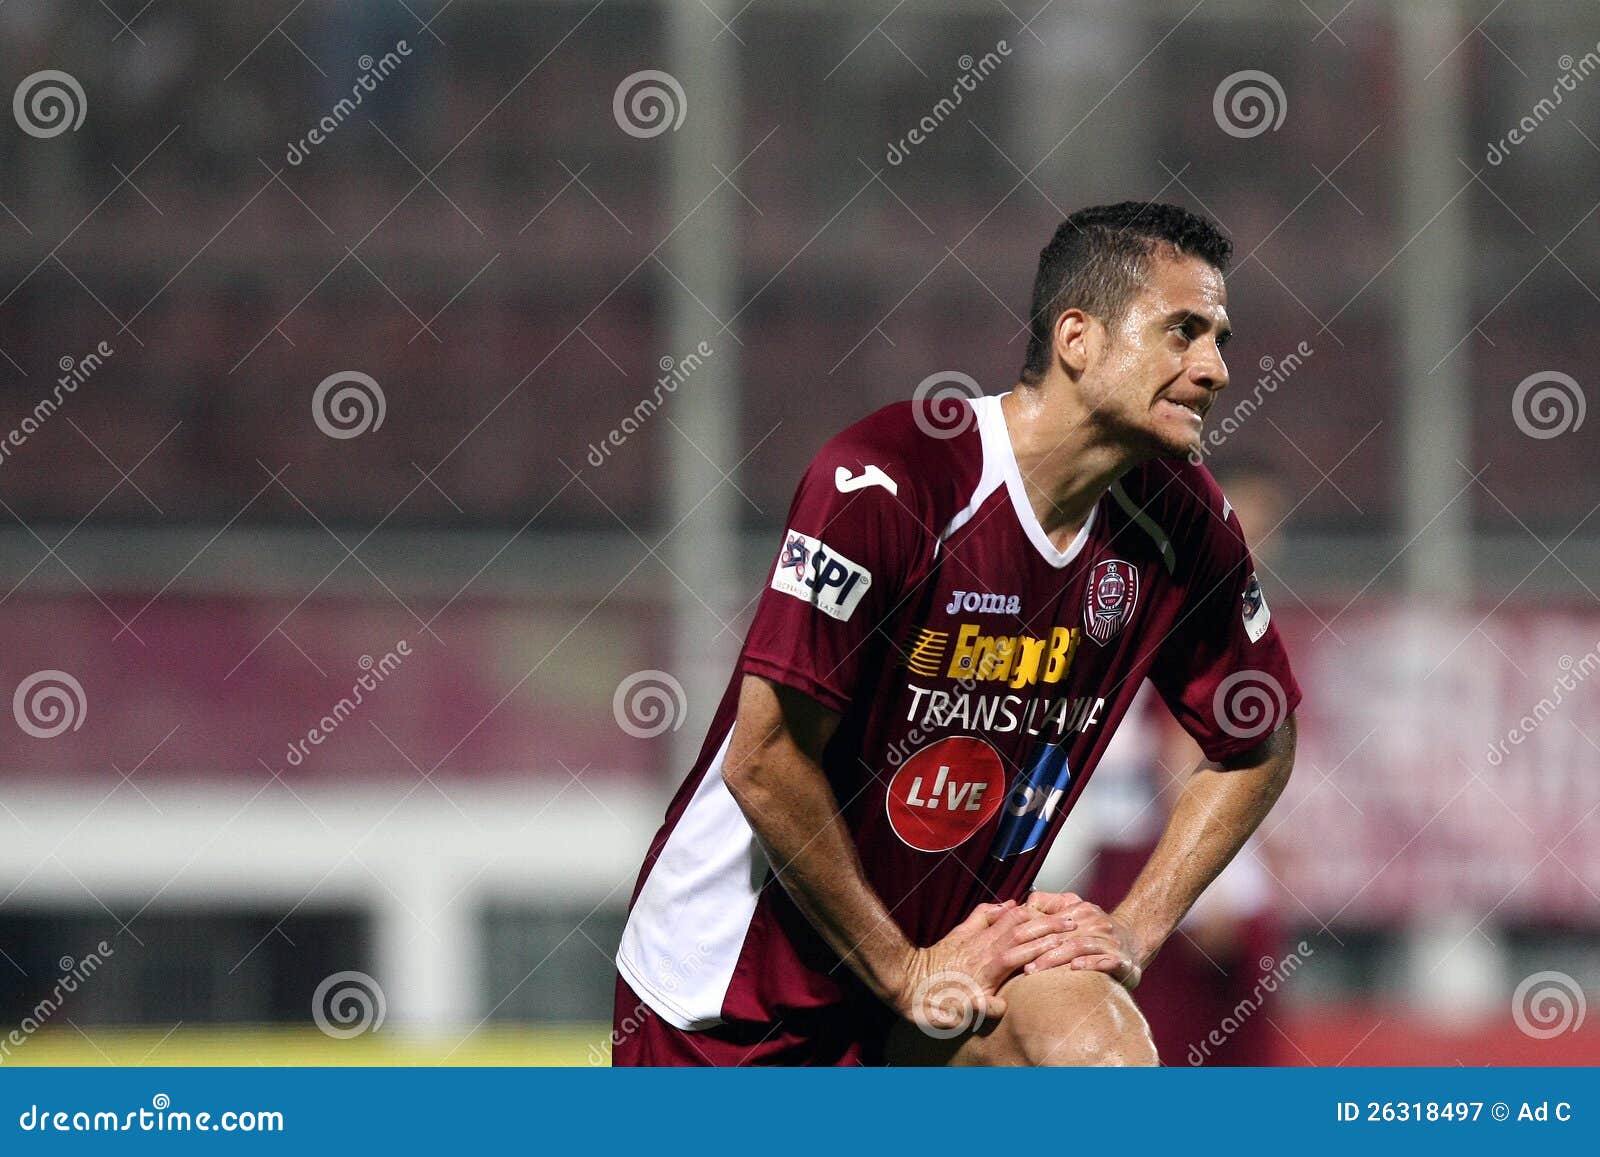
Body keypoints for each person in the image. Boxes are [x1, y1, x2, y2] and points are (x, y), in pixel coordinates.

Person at [612, 202, 1300, 1066]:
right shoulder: (892, 480)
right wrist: (903, 970)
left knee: (1098, 1052)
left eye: (1220, 339)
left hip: (952, 971)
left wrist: (1134, 929)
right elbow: (766, 758)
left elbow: (1257, 743)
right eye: (1183, 332)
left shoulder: (1184, 522)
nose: (1214, 370)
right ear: (1077, 339)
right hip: (732, 991)